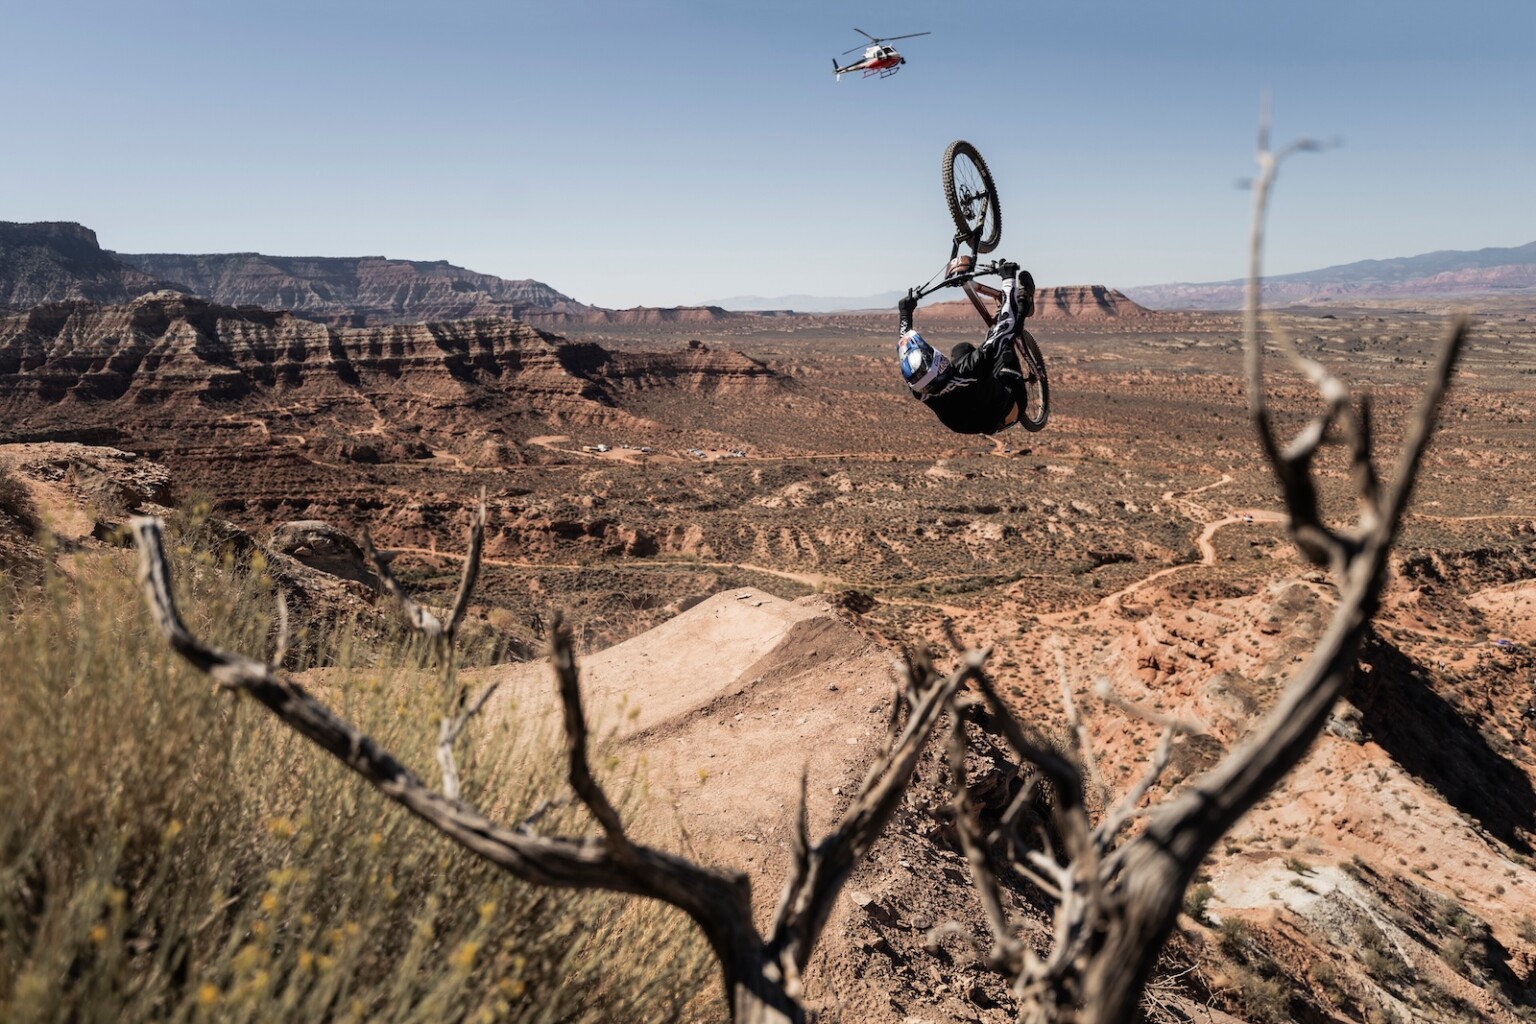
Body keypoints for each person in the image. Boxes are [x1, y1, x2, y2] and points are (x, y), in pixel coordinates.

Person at [896, 260, 1037, 435]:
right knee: (1004, 345)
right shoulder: (966, 370)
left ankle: (990, 382)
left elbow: (905, 343)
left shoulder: (919, 386)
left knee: (962, 349)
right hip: (1008, 410)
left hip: (970, 419)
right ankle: (1025, 302)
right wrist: (1008, 278)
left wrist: (905, 313)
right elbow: (1007, 326)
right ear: (939, 365)